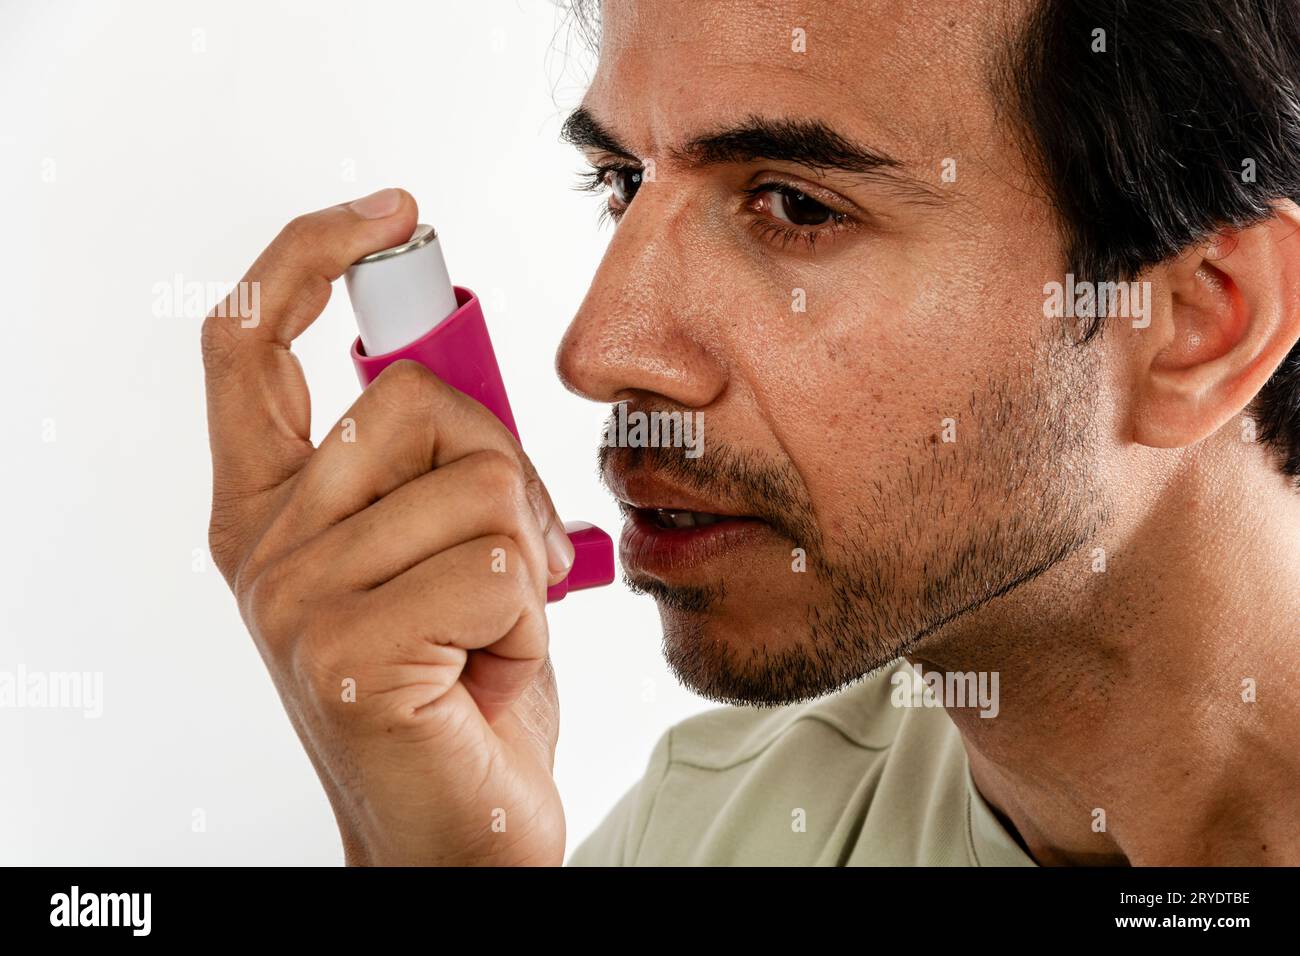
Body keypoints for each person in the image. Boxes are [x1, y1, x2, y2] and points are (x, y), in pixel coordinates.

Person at [200, 0, 1300, 866]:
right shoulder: (702, 832)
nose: (600, 350)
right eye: (622, 182)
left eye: (798, 205)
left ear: (1201, 323)